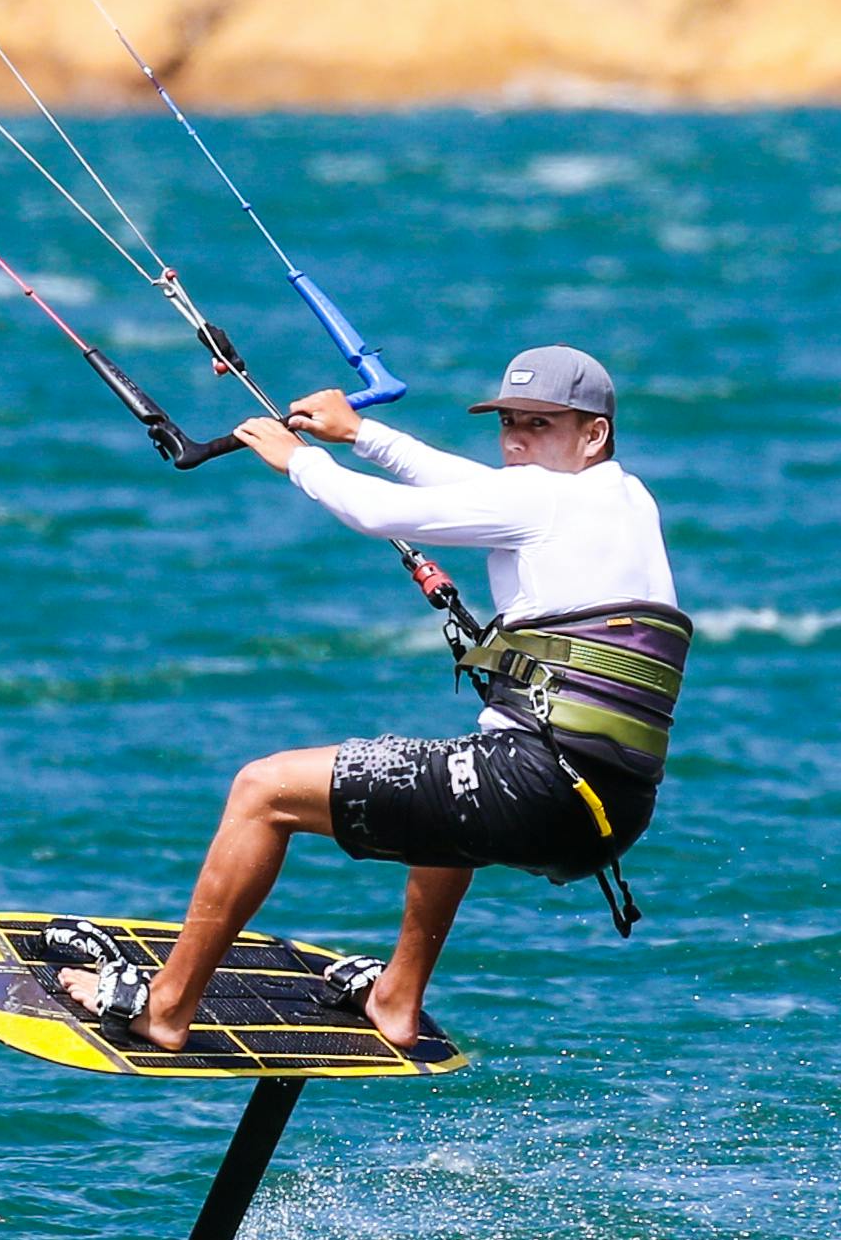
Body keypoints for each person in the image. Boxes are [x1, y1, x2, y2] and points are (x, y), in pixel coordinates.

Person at [61, 343, 692, 1057]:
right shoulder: (626, 498)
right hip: (609, 811)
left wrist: (299, 461)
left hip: (538, 787)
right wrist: (363, 434)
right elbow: (478, 488)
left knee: (262, 790)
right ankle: (397, 998)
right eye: (508, 422)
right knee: (452, 777)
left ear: (594, 433)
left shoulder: (543, 500)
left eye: (538, 424)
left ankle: (168, 1008)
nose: (516, 439)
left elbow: (379, 511)